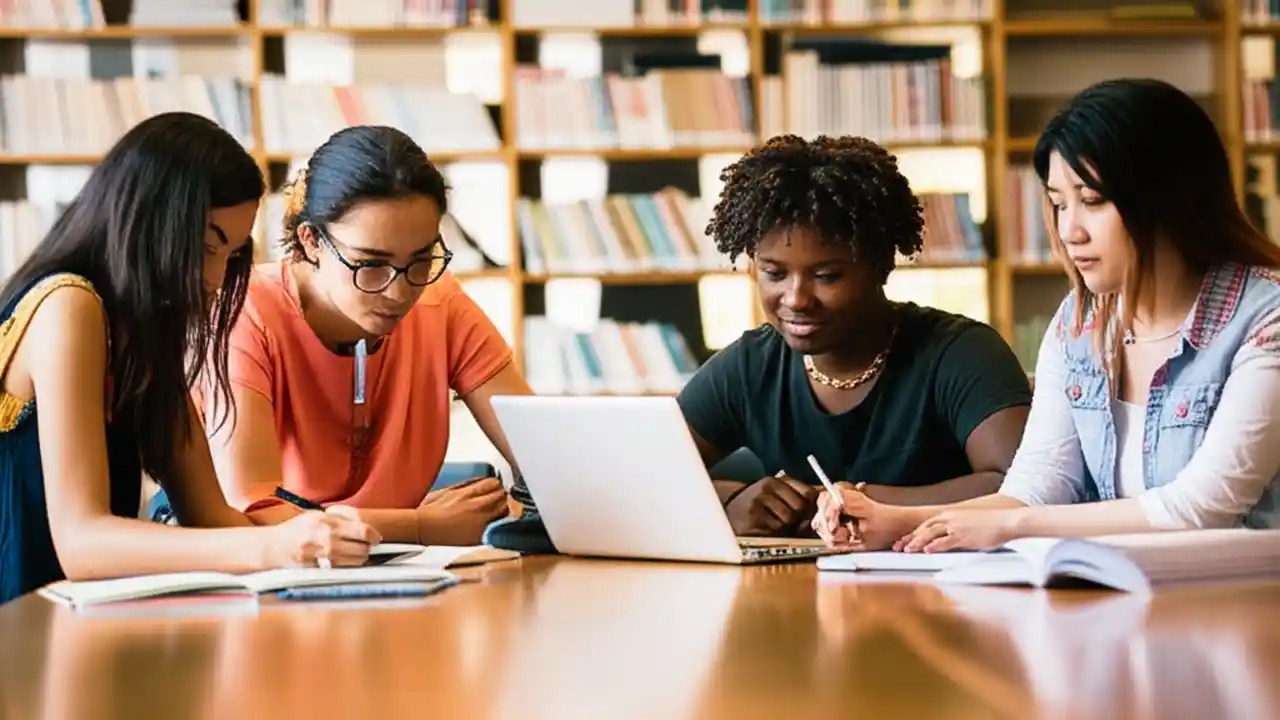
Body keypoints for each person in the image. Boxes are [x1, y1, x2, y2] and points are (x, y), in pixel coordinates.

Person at [814, 78, 1280, 554]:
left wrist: (1013, 528)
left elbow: (1203, 507)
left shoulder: (1266, 320)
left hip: (1249, 607)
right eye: (1059, 204)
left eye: (1093, 201)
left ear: (1169, 199)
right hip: (1125, 597)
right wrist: (894, 520)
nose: (1070, 230)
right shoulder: (1081, 322)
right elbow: (1035, 488)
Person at [0, 112, 379, 604]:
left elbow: (211, 516)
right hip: (22, 635)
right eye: (205, 248)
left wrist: (314, 529)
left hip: (77, 628)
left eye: (233, 255)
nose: (217, 281)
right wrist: (272, 546)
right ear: (147, 223)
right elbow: (82, 543)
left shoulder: (142, 331)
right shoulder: (67, 304)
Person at [678, 134, 1033, 537]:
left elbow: (1023, 487)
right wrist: (733, 505)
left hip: (943, 589)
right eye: (774, 273)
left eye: (827, 276)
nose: (795, 299)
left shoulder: (961, 354)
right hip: (794, 595)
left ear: (881, 266)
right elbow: (645, 478)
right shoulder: (749, 367)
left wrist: (867, 502)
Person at [200, 125, 535, 546]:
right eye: (369, 263)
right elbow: (250, 512)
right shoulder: (243, 312)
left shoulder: (439, 301)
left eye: (421, 259)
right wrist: (417, 525)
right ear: (311, 241)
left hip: (410, 580)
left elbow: (543, 455)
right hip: (277, 583)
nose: (399, 292)